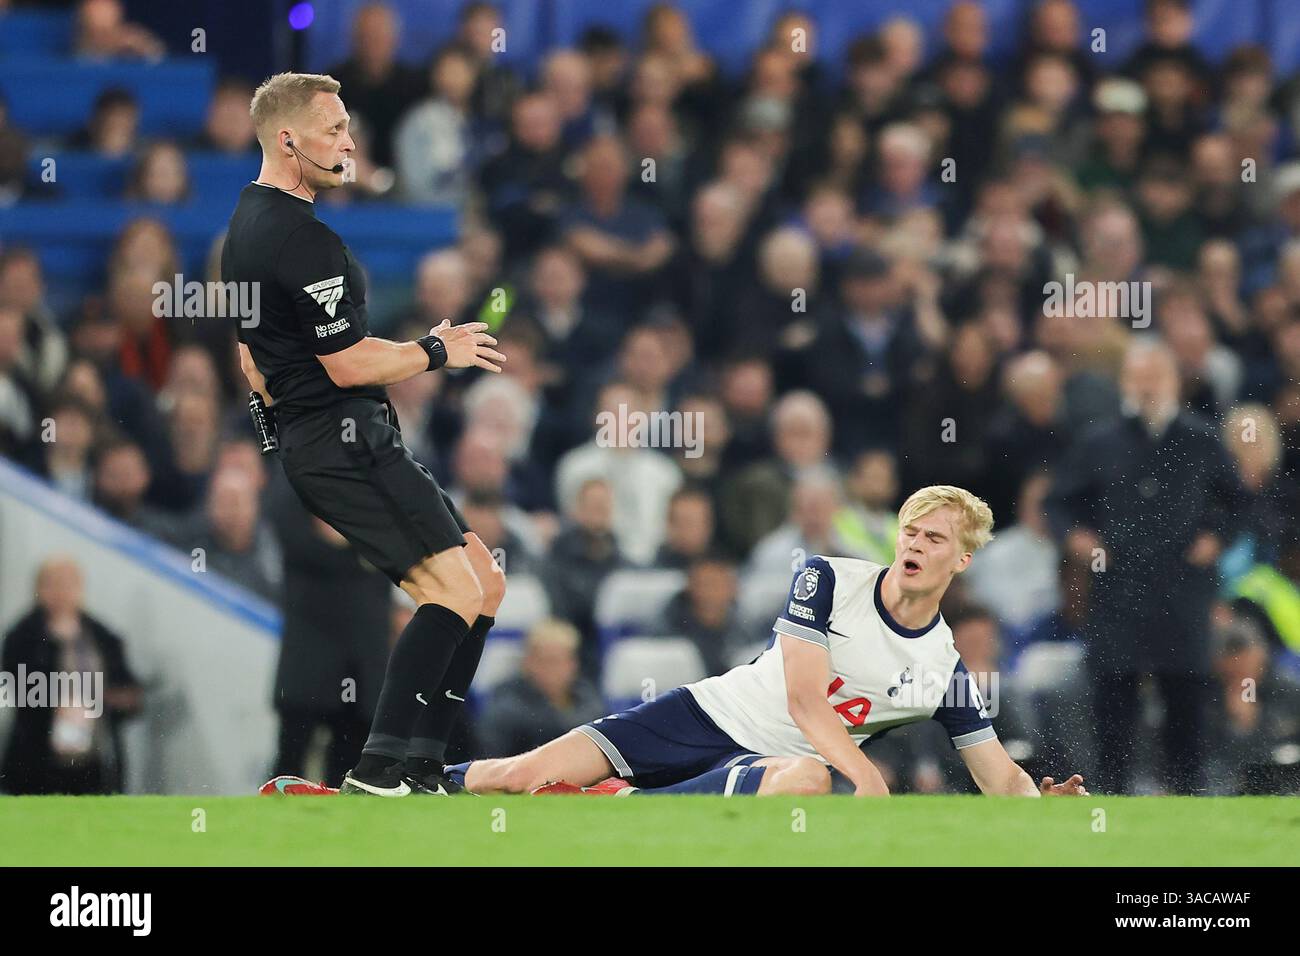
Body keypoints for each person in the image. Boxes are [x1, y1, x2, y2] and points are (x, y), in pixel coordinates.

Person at [224, 73, 507, 796]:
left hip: (332, 442)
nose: (350, 143)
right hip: (347, 441)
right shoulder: (302, 239)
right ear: (289, 139)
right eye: (334, 130)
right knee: (451, 591)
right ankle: (384, 768)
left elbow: (251, 360)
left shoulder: (247, 226)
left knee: (484, 583)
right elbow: (346, 362)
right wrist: (436, 352)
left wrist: (275, 440)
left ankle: (421, 765)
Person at [448, 486, 1088, 798]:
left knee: (807, 778)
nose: (917, 545)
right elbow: (806, 699)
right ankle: (408, 783)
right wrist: (866, 774)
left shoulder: (943, 669)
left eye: (935, 539)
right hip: (707, 715)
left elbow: (998, 775)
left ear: (963, 561)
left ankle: (626, 806)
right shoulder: (829, 577)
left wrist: (1037, 801)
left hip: (775, 768)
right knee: (521, 774)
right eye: (912, 532)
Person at [0, 557, 142, 795]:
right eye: (53, 584)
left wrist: (114, 699)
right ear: (39, 589)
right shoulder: (23, 635)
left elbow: (126, 688)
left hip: (92, 759)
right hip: (37, 759)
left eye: (68, 584)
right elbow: (13, 687)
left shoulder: (101, 635)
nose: (61, 592)